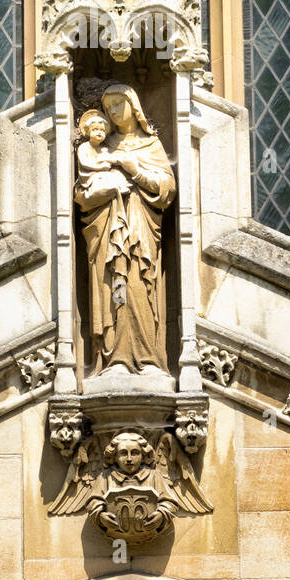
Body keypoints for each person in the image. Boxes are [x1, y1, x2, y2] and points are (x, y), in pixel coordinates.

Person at [74, 82, 175, 375]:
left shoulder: (151, 144)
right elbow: (82, 193)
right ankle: (115, 357)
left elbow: (167, 190)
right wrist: (99, 193)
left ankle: (148, 357)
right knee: (112, 288)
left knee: (139, 286)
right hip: (108, 230)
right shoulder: (99, 147)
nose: (114, 112)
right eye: (108, 108)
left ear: (134, 105)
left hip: (141, 231)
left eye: (119, 104)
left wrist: (135, 170)